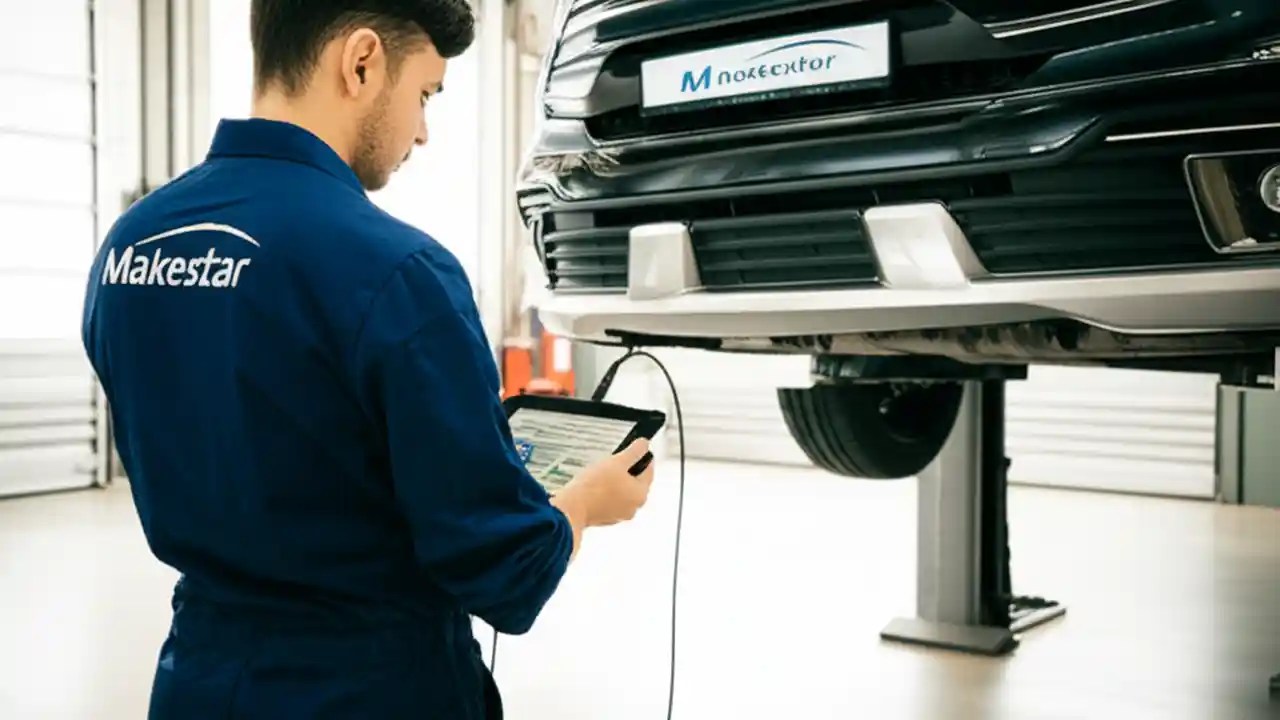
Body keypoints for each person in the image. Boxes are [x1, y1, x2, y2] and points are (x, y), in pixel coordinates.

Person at [79, 1, 656, 717]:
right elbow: (504, 574)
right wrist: (585, 503)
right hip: (372, 691)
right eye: (424, 94)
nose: (421, 130)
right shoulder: (401, 272)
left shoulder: (131, 247)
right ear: (361, 62)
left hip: (196, 684)